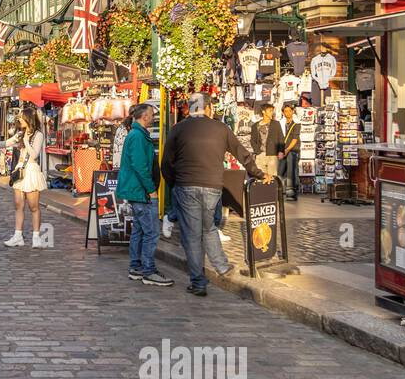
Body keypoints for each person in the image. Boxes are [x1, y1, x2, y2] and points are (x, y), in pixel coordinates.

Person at [162, 93, 272, 297]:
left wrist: (174, 184)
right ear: (209, 108)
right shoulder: (221, 128)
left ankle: (198, 282)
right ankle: (221, 267)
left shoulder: (178, 129)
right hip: (213, 184)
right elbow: (242, 153)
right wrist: (258, 173)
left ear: (189, 108)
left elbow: (166, 162)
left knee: (193, 235)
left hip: (186, 185)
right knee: (209, 228)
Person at [116, 103, 173, 287]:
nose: (154, 118)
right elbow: (140, 165)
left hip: (137, 190)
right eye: (151, 114)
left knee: (140, 230)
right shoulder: (137, 136)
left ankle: (136, 267)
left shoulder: (137, 134)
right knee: (151, 232)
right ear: (144, 117)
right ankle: (148, 270)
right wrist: (151, 189)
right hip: (140, 191)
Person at [0, 106, 47, 248]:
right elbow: (7, 143)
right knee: (18, 205)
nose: (19, 119)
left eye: (22, 117)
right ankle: (18, 235)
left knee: (33, 206)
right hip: (20, 171)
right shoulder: (20, 133)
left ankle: (36, 236)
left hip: (31, 170)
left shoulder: (38, 135)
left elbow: (34, 154)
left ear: (28, 119)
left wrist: (24, 140)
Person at [249, 103, 281, 181]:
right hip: (260, 155)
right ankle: (262, 193)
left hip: (272, 154)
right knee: (261, 178)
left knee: (272, 178)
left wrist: (280, 151)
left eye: (272, 111)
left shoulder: (276, 124)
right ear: (263, 111)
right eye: (270, 111)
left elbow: (281, 138)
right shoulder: (255, 126)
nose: (271, 113)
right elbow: (252, 140)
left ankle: (272, 193)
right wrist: (258, 152)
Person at [277, 103, 301, 201]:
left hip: (293, 150)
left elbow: (295, 139)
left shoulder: (296, 124)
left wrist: (287, 150)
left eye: (289, 111)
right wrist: (280, 150)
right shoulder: (281, 123)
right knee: (280, 172)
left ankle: (291, 193)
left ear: (292, 111)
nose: (288, 113)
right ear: (283, 112)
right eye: (285, 111)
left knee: (292, 171)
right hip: (283, 150)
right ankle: (280, 191)